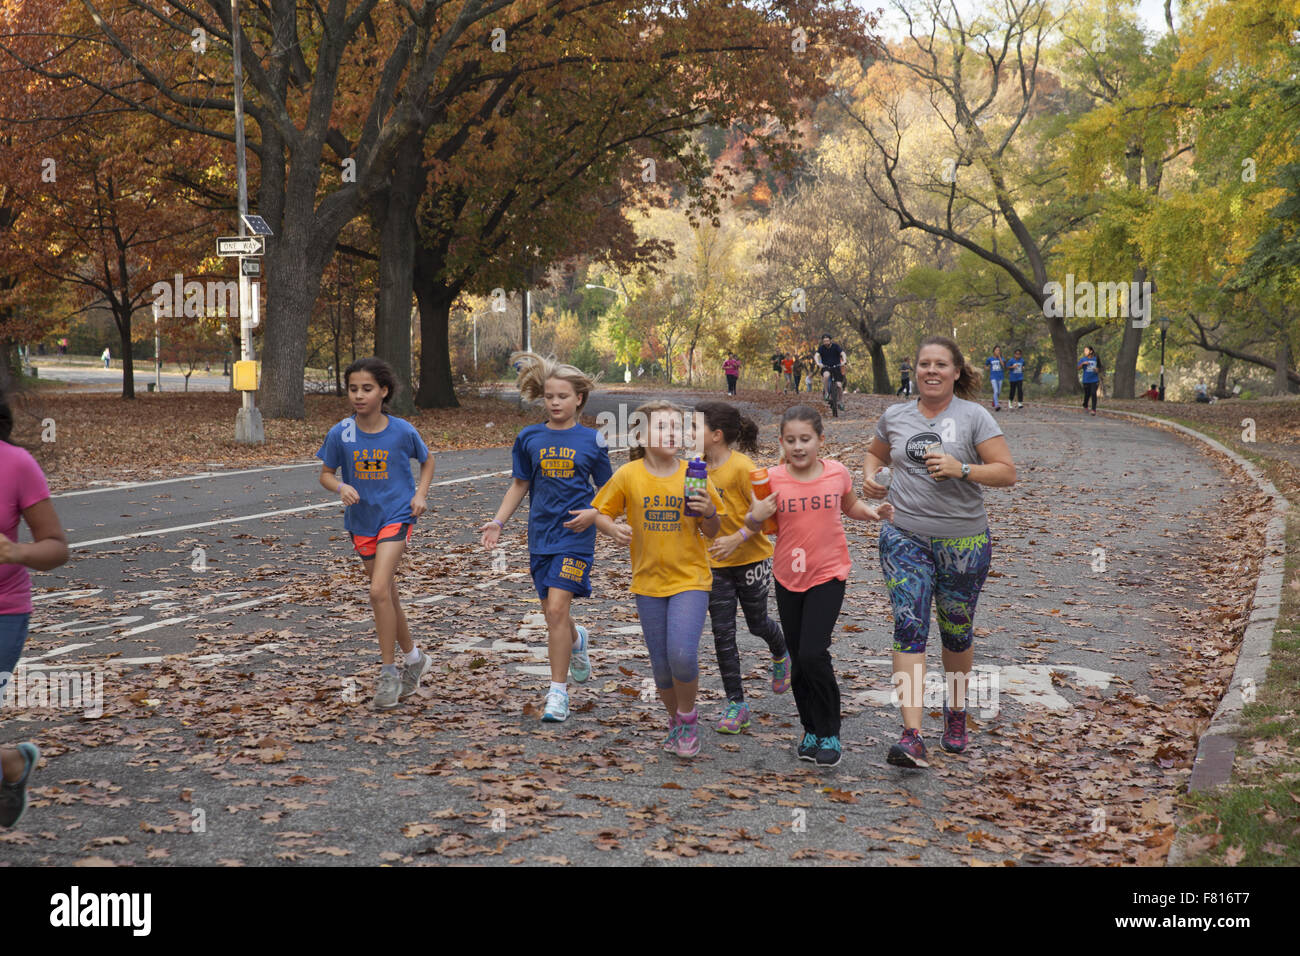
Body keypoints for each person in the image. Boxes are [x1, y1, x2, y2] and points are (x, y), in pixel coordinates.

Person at [862, 335, 1016, 767]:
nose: (931, 371)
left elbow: (1007, 473)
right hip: (904, 536)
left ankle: (956, 711)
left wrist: (962, 469)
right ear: (915, 370)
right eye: (924, 363)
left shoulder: (974, 416)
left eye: (941, 364)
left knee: (956, 632)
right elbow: (874, 454)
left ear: (955, 372)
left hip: (964, 542)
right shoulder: (895, 416)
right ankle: (911, 734)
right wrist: (871, 477)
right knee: (908, 626)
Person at [745, 405, 893, 767]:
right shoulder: (770, 479)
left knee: (813, 653)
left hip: (828, 574)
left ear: (820, 440)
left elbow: (851, 505)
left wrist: (872, 513)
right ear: (781, 442)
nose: (798, 446)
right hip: (787, 576)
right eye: (791, 440)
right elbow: (756, 523)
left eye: (805, 439)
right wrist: (755, 516)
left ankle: (830, 732)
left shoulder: (836, 473)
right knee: (798, 660)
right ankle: (809, 729)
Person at [480, 353, 612, 723]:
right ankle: (577, 640)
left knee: (555, 610)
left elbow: (608, 490)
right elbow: (520, 484)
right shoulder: (529, 438)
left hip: (576, 537)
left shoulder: (592, 440)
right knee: (555, 616)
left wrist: (597, 516)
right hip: (540, 537)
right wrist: (498, 521)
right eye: (549, 396)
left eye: (562, 396)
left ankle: (557, 693)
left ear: (579, 399)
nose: (555, 402)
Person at [592, 400, 724, 758]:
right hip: (648, 583)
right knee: (662, 668)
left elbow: (713, 530)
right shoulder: (628, 475)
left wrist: (708, 511)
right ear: (640, 435)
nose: (672, 434)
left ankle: (688, 717)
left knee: (681, 654)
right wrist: (611, 528)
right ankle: (674, 720)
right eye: (662, 427)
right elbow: (600, 512)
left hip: (690, 579)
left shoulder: (694, 473)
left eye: (677, 428)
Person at [317, 358, 436, 711]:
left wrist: (420, 495)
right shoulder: (341, 433)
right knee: (387, 595)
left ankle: (388, 674)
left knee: (378, 590)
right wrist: (340, 487)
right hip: (362, 521)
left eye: (367, 389)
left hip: (397, 515)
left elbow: (427, 460)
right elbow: (325, 473)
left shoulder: (401, 430)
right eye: (353, 389)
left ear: (384, 391)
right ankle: (415, 659)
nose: (359, 395)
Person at [694, 400, 790, 734]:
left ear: (716, 435)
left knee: (757, 623)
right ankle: (736, 703)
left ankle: (781, 650)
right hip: (714, 563)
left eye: (694, 427)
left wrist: (737, 538)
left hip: (751, 559)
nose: (687, 433)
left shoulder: (742, 468)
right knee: (723, 633)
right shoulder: (694, 467)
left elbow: (765, 515)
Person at [0, 387, 71, 828]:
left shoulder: (15, 465)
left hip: (3, 612)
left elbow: (57, 547)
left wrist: (15, 552)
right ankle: (11, 763)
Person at [815, 334, 847, 401]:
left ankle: (840, 401)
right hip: (826, 367)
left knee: (839, 386)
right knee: (826, 376)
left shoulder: (836, 346)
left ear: (830, 340)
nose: (826, 343)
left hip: (836, 367)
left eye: (827, 341)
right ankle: (826, 393)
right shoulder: (821, 348)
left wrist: (844, 361)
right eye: (824, 341)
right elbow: (816, 355)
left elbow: (843, 353)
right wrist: (818, 363)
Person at [1078, 345, 1101, 415]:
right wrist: (1083, 364)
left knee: (1093, 393)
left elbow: (1099, 368)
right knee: (1087, 394)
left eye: (1086, 350)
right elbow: (1077, 368)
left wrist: (1096, 370)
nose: (1085, 352)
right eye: (1084, 350)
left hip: (1094, 380)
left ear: (1091, 351)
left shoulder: (1096, 359)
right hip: (1086, 380)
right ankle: (1085, 405)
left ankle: (1093, 410)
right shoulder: (1083, 359)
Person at [984, 346, 1005, 411]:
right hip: (993, 377)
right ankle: (996, 405)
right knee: (995, 391)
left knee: (998, 392)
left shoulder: (1002, 358)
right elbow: (985, 365)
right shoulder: (990, 359)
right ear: (994, 351)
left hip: (1000, 377)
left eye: (999, 350)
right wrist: (986, 368)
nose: (998, 351)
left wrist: (999, 357)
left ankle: (994, 401)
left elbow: (1003, 365)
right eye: (996, 350)